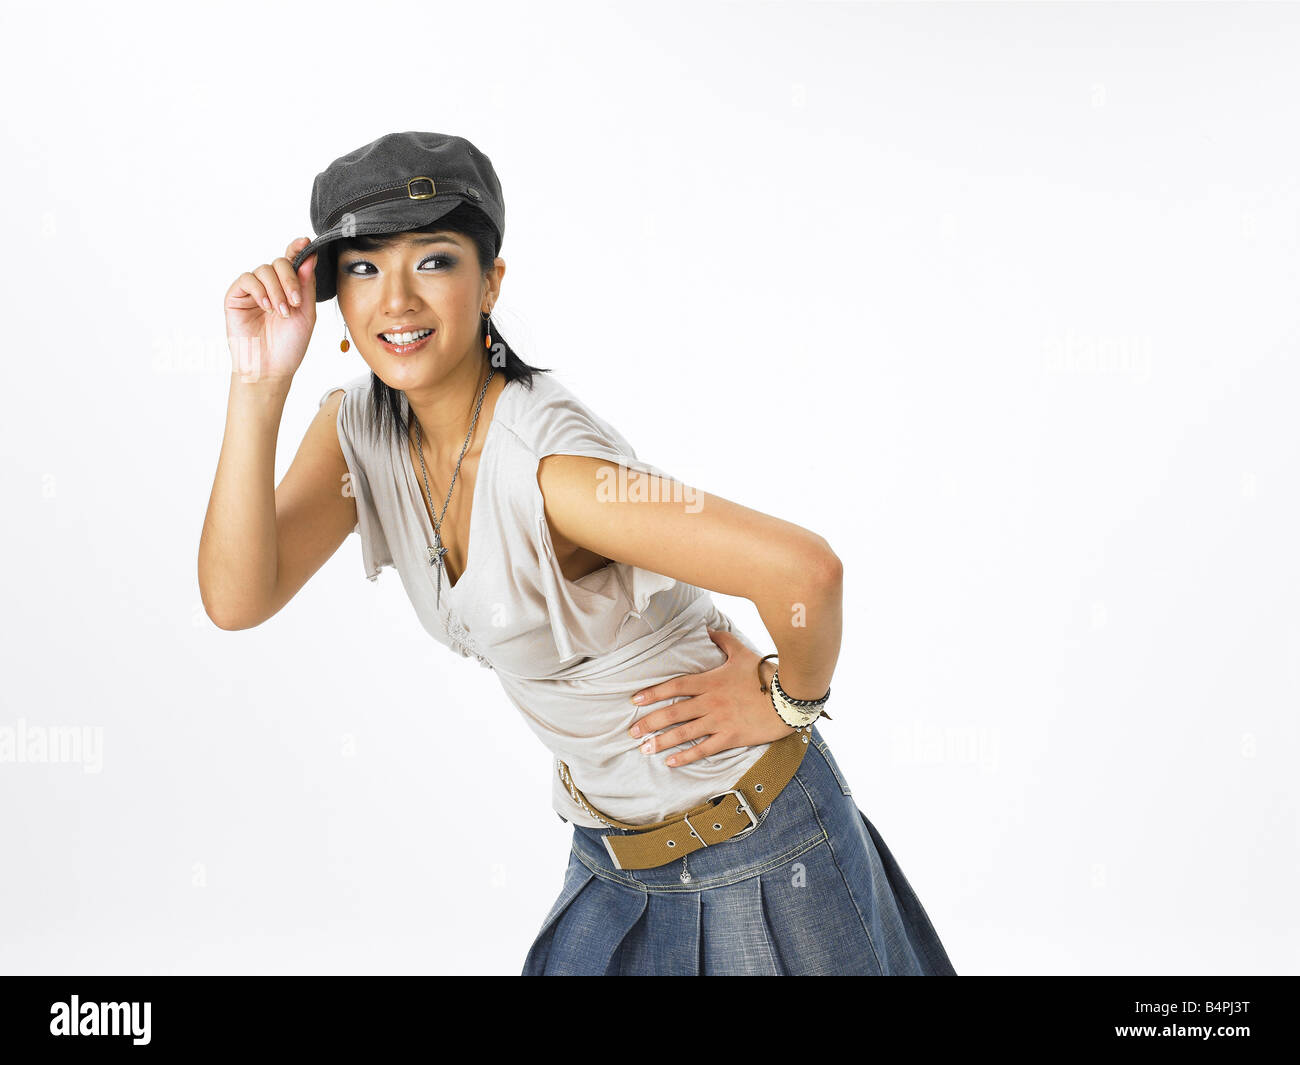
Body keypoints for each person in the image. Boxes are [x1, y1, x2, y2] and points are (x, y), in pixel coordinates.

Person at [199, 132, 957, 976]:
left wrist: (787, 701)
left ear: (490, 282)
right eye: (365, 267)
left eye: (436, 261)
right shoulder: (359, 430)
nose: (397, 301)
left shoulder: (556, 475)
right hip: (612, 862)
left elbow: (805, 571)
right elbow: (238, 597)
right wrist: (257, 383)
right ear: (332, 289)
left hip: (764, 846)